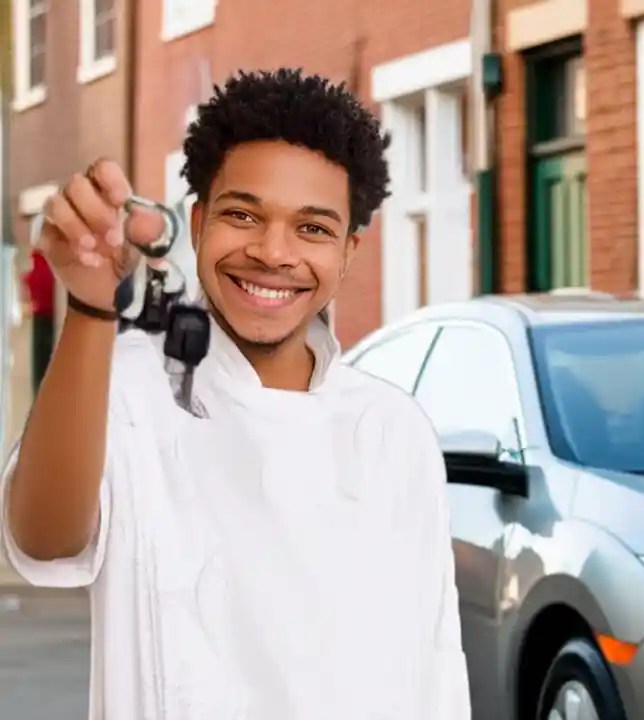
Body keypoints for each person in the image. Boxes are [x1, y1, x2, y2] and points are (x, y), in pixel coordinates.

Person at [1, 69, 471, 719]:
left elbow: (435, 663)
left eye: (312, 228)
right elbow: (44, 538)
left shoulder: (394, 429)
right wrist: (88, 305)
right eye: (243, 215)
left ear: (349, 251)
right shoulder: (130, 388)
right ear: (196, 224)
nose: (273, 252)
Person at [22, 247, 55, 392]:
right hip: (46, 317)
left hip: (45, 317)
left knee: (42, 367)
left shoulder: (42, 262)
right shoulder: (44, 260)